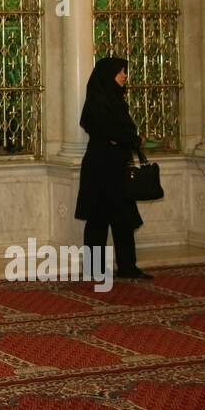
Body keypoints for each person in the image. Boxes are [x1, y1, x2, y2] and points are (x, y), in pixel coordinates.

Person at [74, 56, 151, 280]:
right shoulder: (98, 103)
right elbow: (111, 133)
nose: (125, 75)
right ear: (109, 75)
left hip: (117, 168)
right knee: (98, 220)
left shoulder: (116, 100)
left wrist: (128, 139)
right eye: (121, 71)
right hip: (100, 170)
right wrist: (133, 140)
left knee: (123, 219)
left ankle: (128, 267)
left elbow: (120, 136)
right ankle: (95, 270)